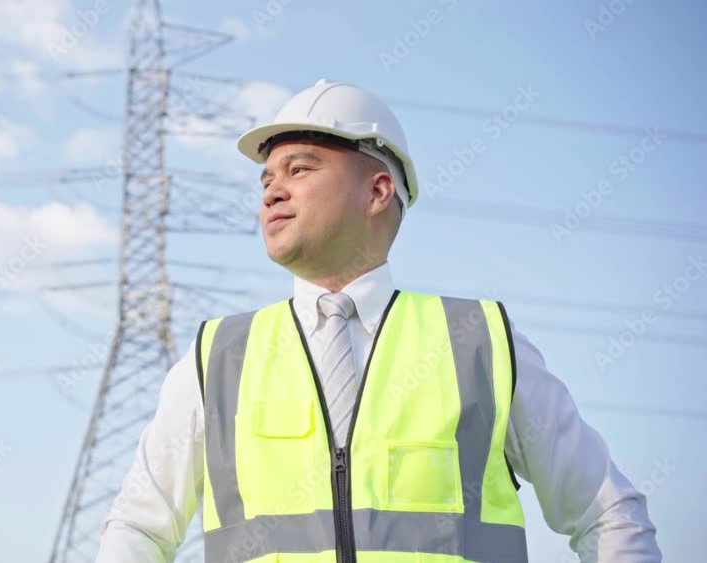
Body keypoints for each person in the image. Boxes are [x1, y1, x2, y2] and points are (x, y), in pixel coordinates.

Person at [94, 79, 661, 562]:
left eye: (299, 168)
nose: (272, 193)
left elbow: (610, 516)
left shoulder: (481, 344)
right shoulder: (217, 357)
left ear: (378, 190)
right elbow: (137, 530)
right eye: (265, 180)